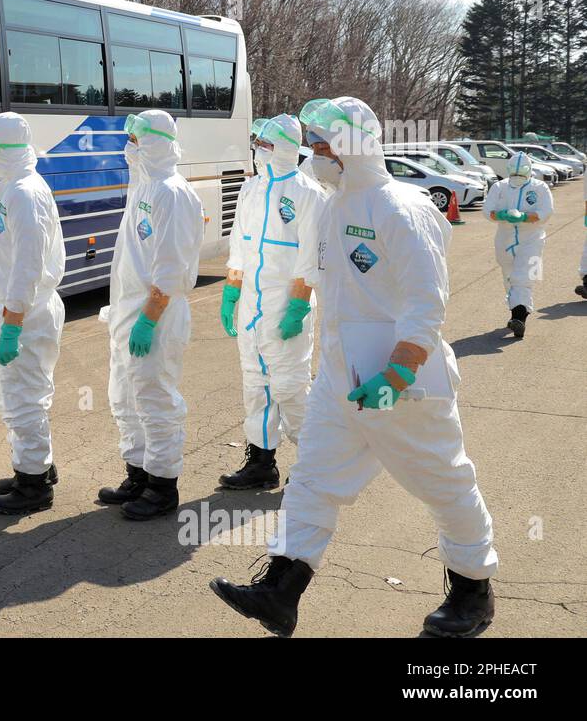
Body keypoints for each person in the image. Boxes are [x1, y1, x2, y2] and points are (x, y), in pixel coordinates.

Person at [210, 97, 498, 638]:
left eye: (324, 146)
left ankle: (472, 593)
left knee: (443, 483)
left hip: (404, 384)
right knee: (313, 479)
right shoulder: (331, 205)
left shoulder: (402, 208)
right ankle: (281, 590)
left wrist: (398, 373)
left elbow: (425, 301)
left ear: (355, 145)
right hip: (340, 378)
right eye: (312, 146)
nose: (314, 156)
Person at [100, 110, 204, 521]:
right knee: (125, 396)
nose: (131, 146)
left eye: (138, 139)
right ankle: (139, 471)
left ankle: (162, 486)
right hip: (129, 313)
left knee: (155, 398)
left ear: (158, 142)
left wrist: (149, 317)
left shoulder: (172, 193)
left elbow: (171, 268)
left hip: (155, 316)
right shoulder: (145, 187)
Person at [219, 114, 326, 490]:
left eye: (264, 146)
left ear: (282, 149)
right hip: (251, 306)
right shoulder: (251, 189)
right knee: (255, 382)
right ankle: (261, 462)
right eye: (257, 145)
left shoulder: (309, 194)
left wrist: (297, 307)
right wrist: (231, 292)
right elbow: (239, 245)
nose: (257, 152)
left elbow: (310, 259)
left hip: (285, 306)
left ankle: (314, 466)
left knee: (290, 387)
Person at [0, 112, 65, 515]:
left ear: (4, 148)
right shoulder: (11, 186)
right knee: (18, 397)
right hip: (13, 315)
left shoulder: (24, 193)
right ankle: (34, 467)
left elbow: (28, 264)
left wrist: (12, 323)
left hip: (23, 319)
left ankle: (34, 487)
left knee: (24, 397)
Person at [482, 152, 553, 339]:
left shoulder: (540, 187)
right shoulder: (499, 187)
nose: (517, 175)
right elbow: (487, 210)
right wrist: (502, 215)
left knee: (525, 277)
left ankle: (520, 316)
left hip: (533, 239)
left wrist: (523, 217)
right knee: (509, 278)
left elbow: (545, 212)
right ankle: (516, 310)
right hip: (504, 239)